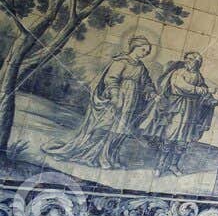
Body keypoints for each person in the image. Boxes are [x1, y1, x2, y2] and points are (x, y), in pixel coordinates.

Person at [45, 34, 158, 168]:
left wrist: (152, 93)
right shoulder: (121, 61)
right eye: (143, 49)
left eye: (147, 52)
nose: (145, 53)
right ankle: (86, 154)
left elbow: (147, 83)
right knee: (104, 126)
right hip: (117, 99)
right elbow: (111, 79)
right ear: (135, 46)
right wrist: (115, 96)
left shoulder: (141, 67)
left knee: (119, 130)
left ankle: (107, 157)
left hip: (131, 103)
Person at [144, 51, 218, 176]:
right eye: (187, 59)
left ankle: (174, 165)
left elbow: (204, 94)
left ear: (198, 62)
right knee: (170, 136)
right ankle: (160, 166)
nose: (187, 61)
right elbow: (181, 86)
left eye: (191, 59)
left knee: (183, 139)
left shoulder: (198, 76)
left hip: (192, 110)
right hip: (177, 106)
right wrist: (204, 90)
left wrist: (211, 100)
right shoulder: (179, 72)